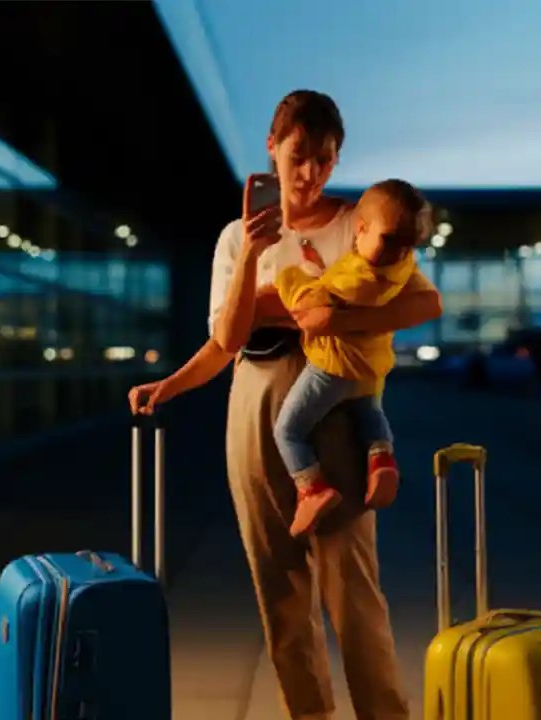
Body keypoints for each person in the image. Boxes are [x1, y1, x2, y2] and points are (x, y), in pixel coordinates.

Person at [128, 89, 441, 720]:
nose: (309, 173)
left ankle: (384, 713)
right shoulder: (234, 238)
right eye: (299, 156)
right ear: (272, 148)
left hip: (335, 398)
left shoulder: (361, 223)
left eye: (325, 159)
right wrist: (175, 380)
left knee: (353, 587)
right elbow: (227, 339)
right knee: (279, 588)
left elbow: (421, 302)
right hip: (255, 399)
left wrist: (327, 314)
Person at [273, 179, 432, 537]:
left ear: (359, 228)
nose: (395, 251)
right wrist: (323, 269)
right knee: (368, 410)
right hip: (370, 367)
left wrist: (291, 276)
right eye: (390, 240)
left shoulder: (361, 278)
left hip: (333, 366)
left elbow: (314, 303)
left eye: (400, 242)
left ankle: (311, 487)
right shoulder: (403, 267)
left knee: (288, 430)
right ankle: (381, 457)